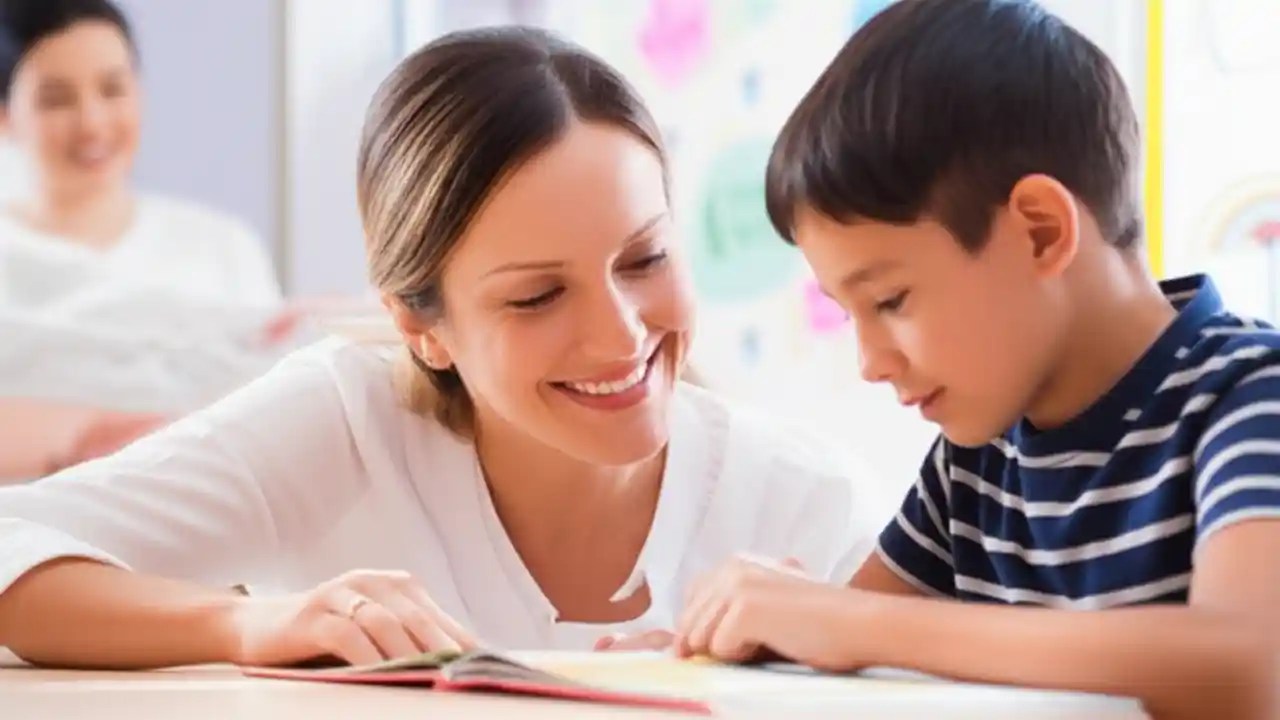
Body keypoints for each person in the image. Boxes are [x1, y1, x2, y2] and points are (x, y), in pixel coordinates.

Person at [0, 26, 885, 670]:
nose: (621, 333)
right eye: (538, 296)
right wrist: (245, 625)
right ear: (420, 327)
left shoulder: (794, 499)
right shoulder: (343, 425)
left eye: (645, 258)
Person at [658, 2, 1280, 719]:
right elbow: (826, 666)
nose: (870, 362)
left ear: (1041, 231)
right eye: (848, 311)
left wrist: (850, 624)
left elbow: (1249, 664)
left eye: (890, 300)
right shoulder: (974, 461)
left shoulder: (1248, 396)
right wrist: (703, 655)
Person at [0, 0, 287, 476]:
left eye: (113, 89)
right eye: (56, 99)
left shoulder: (221, 246)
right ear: (7, 115)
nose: (92, 122)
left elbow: (273, 407)